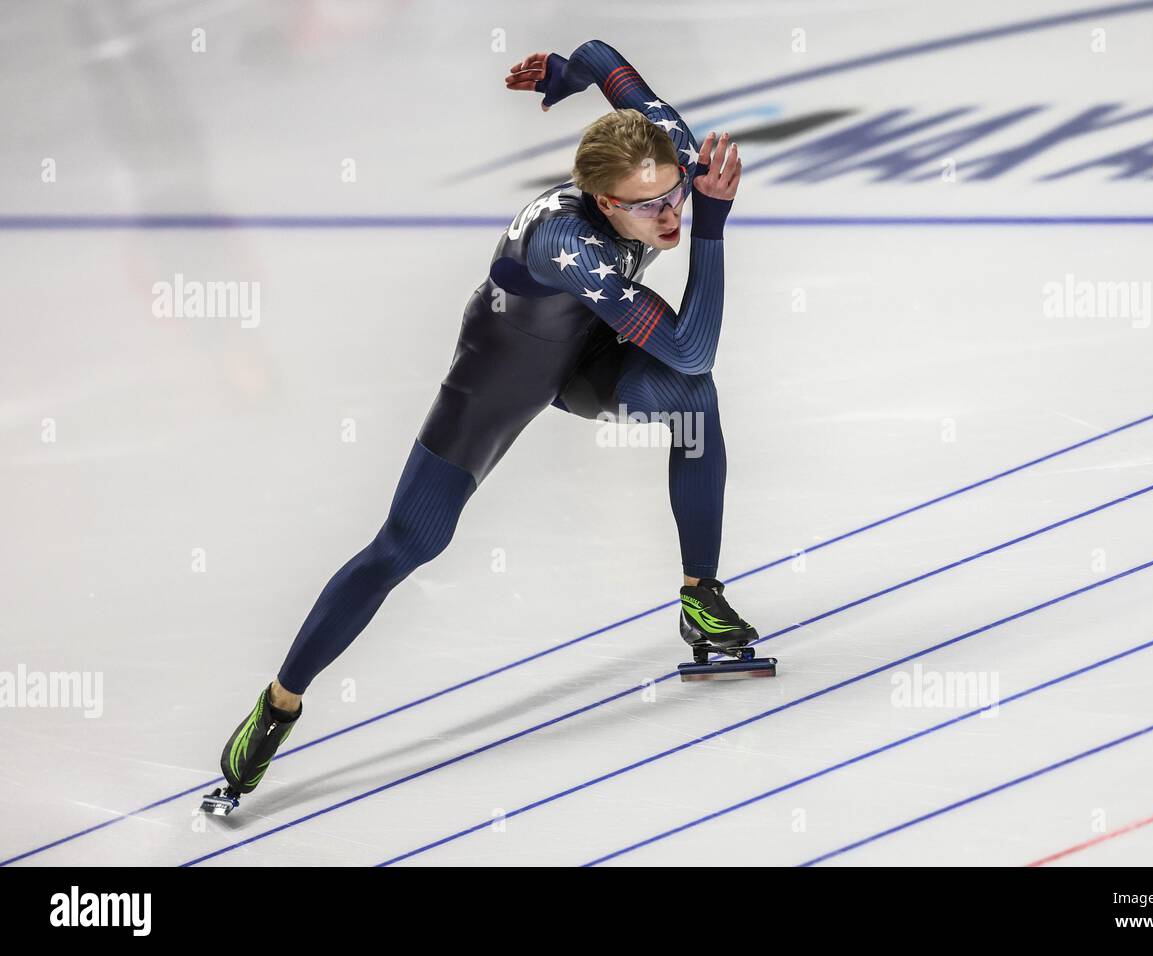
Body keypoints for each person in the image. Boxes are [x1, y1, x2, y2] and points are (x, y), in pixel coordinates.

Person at [202, 39, 754, 815]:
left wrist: (568, 72)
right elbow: (693, 343)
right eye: (646, 205)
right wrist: (712, 226)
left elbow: (606, 57)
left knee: (696, 404)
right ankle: (279, 704)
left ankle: (701, 596)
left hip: (588, 352)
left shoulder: (668, 151)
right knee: (408, 543)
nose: (668, 213)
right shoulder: (567, 244)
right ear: (601, 202)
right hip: (502, 375)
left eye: (675, 195)